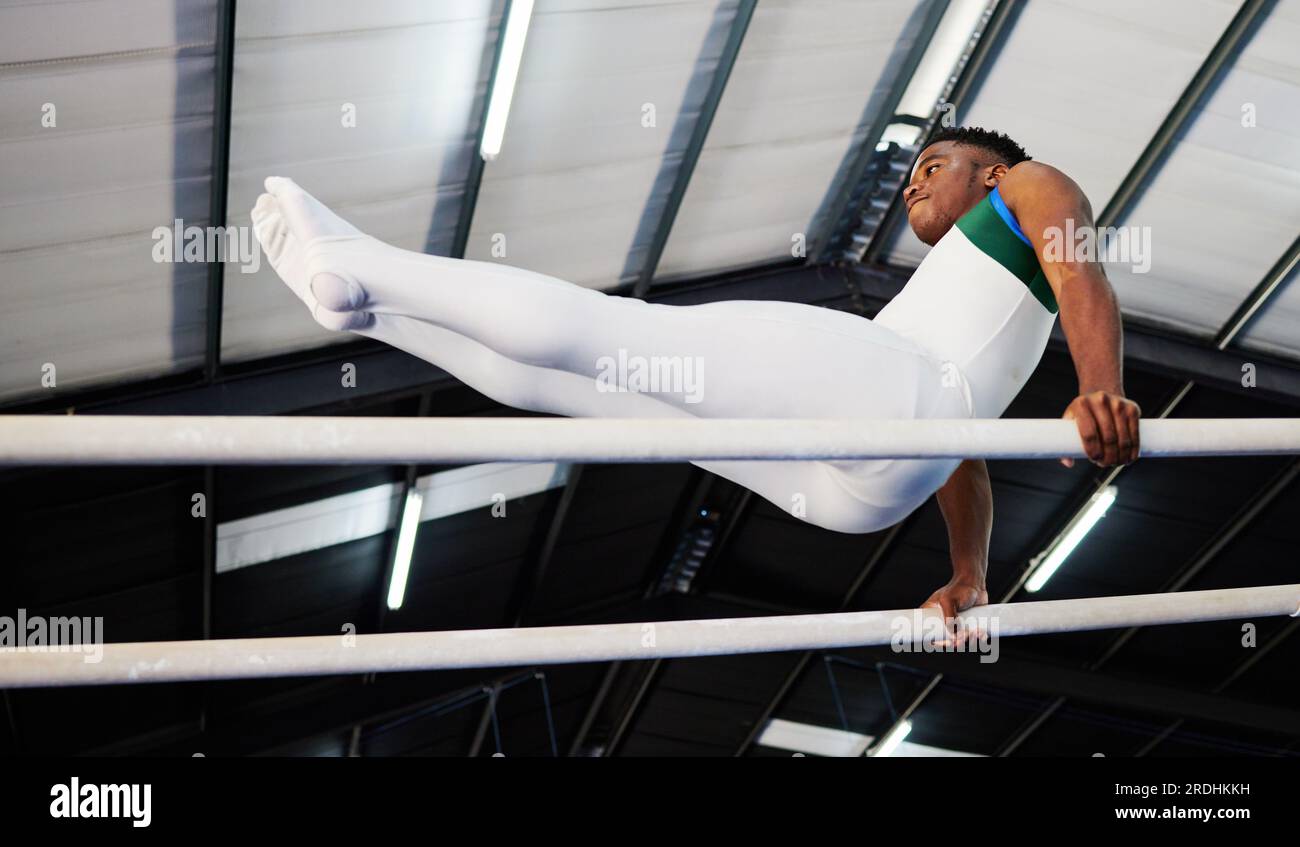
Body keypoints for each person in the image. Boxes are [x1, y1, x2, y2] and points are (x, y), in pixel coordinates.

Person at [251, 126, 1140, 620]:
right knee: (594, 392)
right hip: (880, 482)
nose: (912, 187)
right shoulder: (955, 302)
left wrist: (1099, 384)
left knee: (621, 339)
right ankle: (375, 308)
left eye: (931, 168)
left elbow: (1078, 273)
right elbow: (959, 451)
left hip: (903, 419)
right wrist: (969, 572)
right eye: (909, 175)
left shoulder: (1031, 184)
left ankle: (363, 263)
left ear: (991, 171)